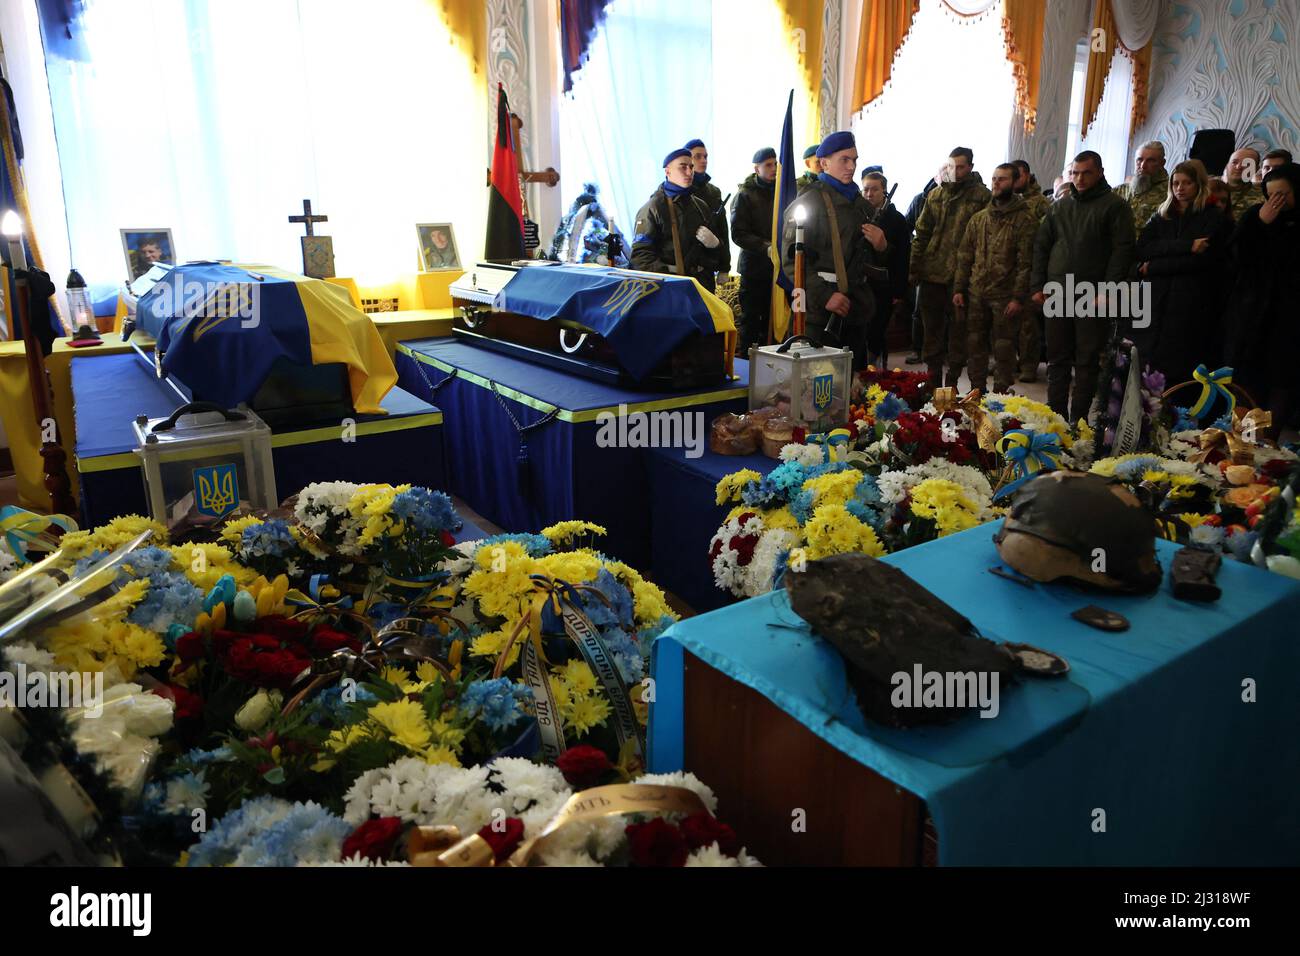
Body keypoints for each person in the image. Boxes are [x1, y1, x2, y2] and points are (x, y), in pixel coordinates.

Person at [1031, 150, 1135, 423]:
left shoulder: (1116, 206)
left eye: (1086, 172)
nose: (1079, 178)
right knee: (1056, 359)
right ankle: (1055, 416)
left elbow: (1121, 252)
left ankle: (1078, 420)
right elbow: (1042, 246)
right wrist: (1037, 285)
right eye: (1075, 173)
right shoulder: (1059, 206)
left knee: (1087, 361)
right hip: (1057, 292)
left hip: (1093, 295)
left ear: (1099, 172)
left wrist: (1109, 290)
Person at [780, 130, 886, 370]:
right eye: (844, 160)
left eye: (854, 160)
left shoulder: (859, 203)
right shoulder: (809, 201)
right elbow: (792, 262)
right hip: (819, 315)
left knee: (853, 388)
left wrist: (882, 246)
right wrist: (825, 296)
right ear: (824, 163)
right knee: (815, 388)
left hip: (855, 309)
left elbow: (865, 258)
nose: (851, 166)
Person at [1132, 160, 1232, 385]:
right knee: (1149, 360)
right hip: (1157, 298)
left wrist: (1155, 266)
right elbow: (1143, 249)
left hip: (1191, 300)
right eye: (1176, 183)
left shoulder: (1213, 217)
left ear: (1198, 184)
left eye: (1187, 183)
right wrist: (1186, 246)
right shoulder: (1163, 215)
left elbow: (1201, 262)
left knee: (1181, 362)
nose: (1180, 188)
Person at [1225, 163, 1300, 431]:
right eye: (1273, 195)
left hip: (1290, 317)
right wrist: (1261, 225)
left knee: (1283, 379)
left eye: (1284, 194)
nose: (1278, 201)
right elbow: (1237, 258)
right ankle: (1242, 439)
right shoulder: (1255, 216)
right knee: (1247, 378)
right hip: (1254, 314)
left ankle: (1270, 441)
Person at [952, 163, 1037, 394]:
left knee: (1003, 347)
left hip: (1006, 296)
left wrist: (1018, 298)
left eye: (1003, 179)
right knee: (974, 345)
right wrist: (959, 289)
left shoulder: (1024, 219)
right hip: (977, 293)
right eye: (994, 179)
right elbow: (964, 256)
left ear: (1015, 182)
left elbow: (1026, 264)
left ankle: (1000, 395)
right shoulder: (979, 219)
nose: (997, 183)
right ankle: (976, 392)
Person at [910, 146, 991, 387]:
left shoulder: (982, 197)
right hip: (932, 274)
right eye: (951, 166)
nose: (955, 171)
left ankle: (953, 382)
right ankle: (933, 380)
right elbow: (921, 233)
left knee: (959, 334)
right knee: (931, 332)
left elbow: (985, 240)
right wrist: (913, 269)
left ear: (971, 168)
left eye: (961, 166)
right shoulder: (936, 195)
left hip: (963, 278)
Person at [631, 148, 728, 292]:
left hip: (703, 286)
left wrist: (716, 245)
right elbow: (640, 257)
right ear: (668, 171)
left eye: (691, 167)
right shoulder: (653, 208)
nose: (689, 172)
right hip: (671, 289)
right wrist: (670, 275)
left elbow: (715, 252)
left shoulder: (700, 205)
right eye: (683, 167)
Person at [730, 147, 778, 352]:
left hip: (777, 268)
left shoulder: (781, 192)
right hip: (754, 268)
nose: (773, 168)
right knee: (751, 319)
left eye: (775, 163)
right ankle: (746, 360)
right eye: (768, 164)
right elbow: (738, 233)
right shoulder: (745, 195)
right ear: (756, 168)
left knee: (773, 319)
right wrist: (765, 247)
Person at [861, 170, 910, 368]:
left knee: (877, 330)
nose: (869, 194)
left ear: (885, 192)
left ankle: (876, 368)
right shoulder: (857, 214)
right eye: (866, 189)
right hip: (861, 284)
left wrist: (898, 290)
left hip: (884, 286)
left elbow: (902, 257)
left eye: (874, 189)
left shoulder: (896, 220)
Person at [1011, 159, 1050, 382]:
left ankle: (1028, 365)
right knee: (1008, 323)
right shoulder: (1008, 201)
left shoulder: (1040, 203)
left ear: (1026, 175)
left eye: (1018, 176)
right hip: (1008, 269)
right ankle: (1011, 360)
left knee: (1028, 324)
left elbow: (1044, 239)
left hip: (1030, 267)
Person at [902, 165, 945, 365]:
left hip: (953, 265)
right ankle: (917, 349)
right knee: (920, 311)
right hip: (926, 264)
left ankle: (945, 352)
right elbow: (906, 227)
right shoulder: (921, 199)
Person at [685, 138, 732, 284]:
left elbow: (723, 229)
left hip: (706, 269)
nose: (703, 160)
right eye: (697, 156)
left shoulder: (713, 192)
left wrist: (725, 266)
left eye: (705, 157)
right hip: (683, 269)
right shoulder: (678, 191)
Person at [1115, 141, 1170, 230]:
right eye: (1139, 160)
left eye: (1150, 161)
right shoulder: (1121, 190)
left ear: (1162, 163)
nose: (1143, 165)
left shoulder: (1171, 192)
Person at [1223, 147, 1263, 219]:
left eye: (1247, 164)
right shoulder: (1208, 190)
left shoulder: (1264, 196)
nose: (1238, 167)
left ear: (1256, 169)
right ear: (1227, 165)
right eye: (1234, 162)